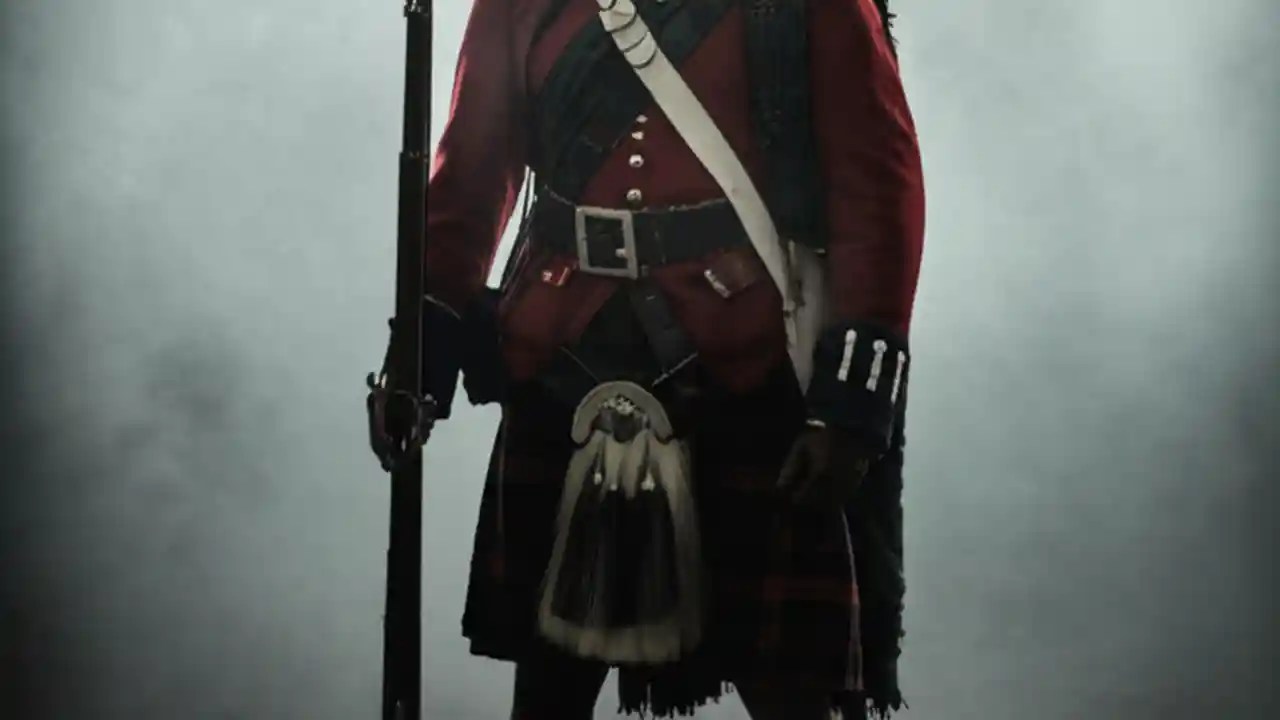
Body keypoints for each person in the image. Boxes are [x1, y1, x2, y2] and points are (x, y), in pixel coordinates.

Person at [370, 0, 924, 717]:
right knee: (546, 691)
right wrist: (420, 350)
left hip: (744, 358)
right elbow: (471, 172)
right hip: (560, 351)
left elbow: (876, 191)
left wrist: (850, 409)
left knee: (790, 688)